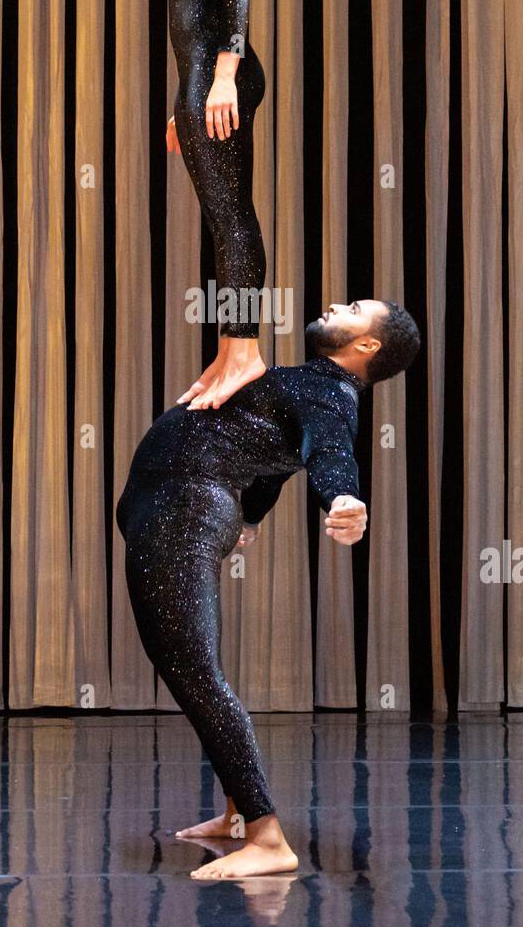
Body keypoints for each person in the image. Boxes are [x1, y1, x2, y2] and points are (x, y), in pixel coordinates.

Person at [116, 298, 421, 879]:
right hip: (173, 510)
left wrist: (344, 498)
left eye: (354, 308)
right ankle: (236, 813)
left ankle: (267, 838)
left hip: (181, 513)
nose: (335, 304)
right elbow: (280, 460)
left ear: (368, 346)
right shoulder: (305, 384)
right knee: (194, 671)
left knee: (195, 673)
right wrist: (251, 516)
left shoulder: (331, 392)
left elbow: (328, 451)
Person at [164, 0, 268, 410]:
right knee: (221, 219)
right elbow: (188, 13)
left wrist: (223, 76)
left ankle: (247, 353)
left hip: (221, 75)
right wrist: (184, 96)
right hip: (199, 78)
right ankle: (231, 349)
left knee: (233, 216)